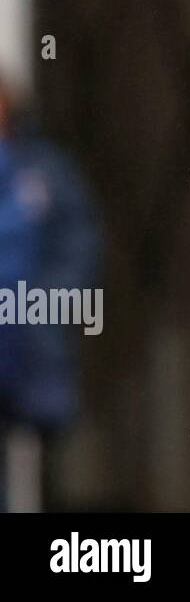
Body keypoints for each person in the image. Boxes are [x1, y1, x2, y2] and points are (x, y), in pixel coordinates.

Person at [0, 72, 100, 512]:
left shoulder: (44, 172)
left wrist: (40, 311)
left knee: (42, 471)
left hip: (27, 351)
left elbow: (77, 251)